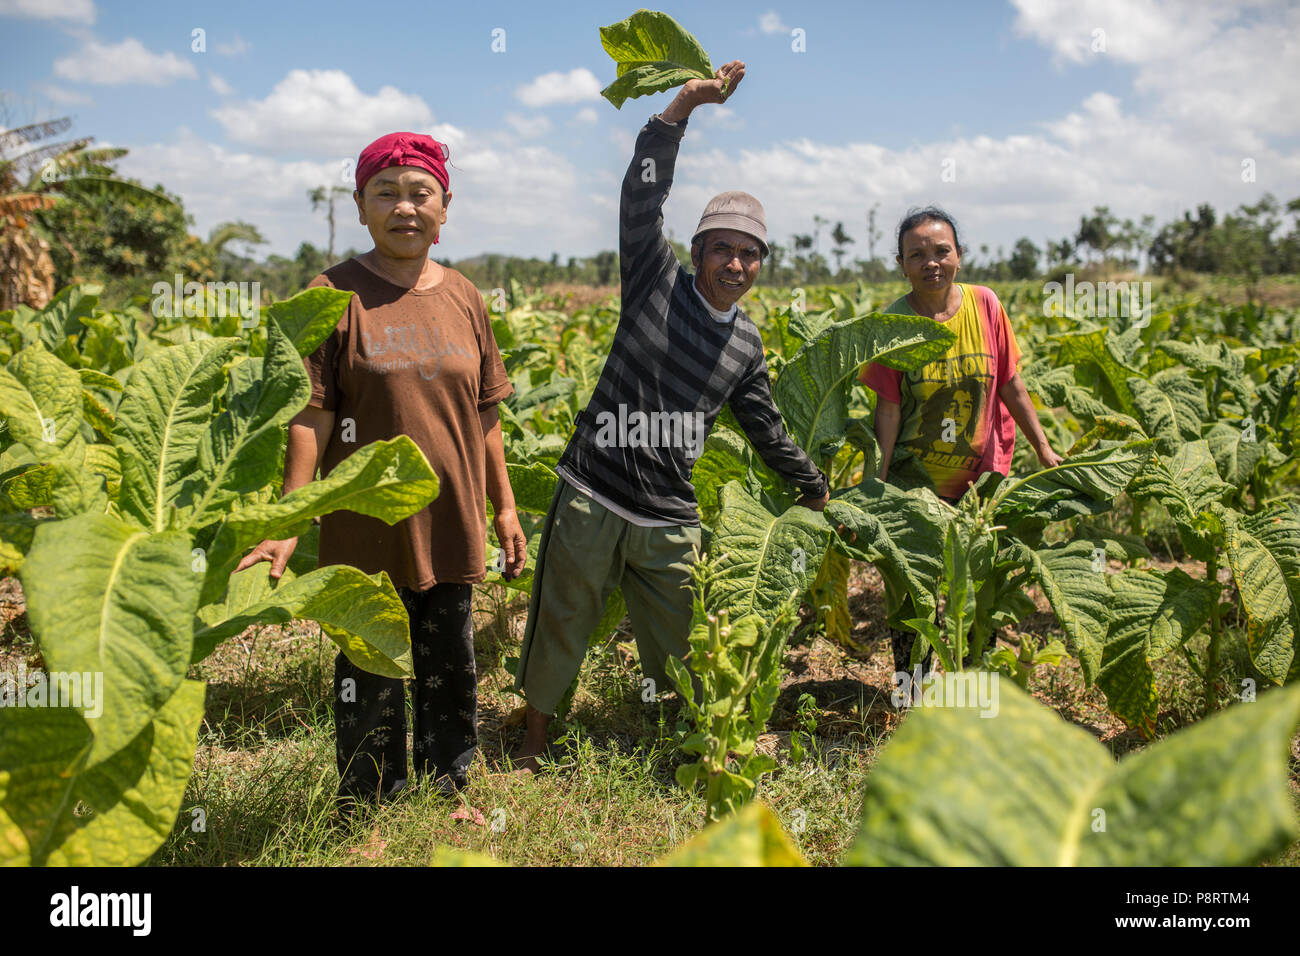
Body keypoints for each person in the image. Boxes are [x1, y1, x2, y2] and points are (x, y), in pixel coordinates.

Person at [511, 60, 830, 772]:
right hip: (594, 490)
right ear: (698, 251)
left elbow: (764, 425)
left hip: (668, 511)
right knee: (563, 617)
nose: (737, 264)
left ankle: (680, 744)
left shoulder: (745, 343)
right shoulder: (655, 279)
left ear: (760, 265)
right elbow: (640, 197)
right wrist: (685, 104)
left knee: (684, 640)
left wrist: (812, 485)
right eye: (724, 248)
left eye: (750, 254)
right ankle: (534, 737)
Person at [235, 131, 527, 809]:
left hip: (451, 517)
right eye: (385, 193)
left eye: (419, 193)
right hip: (364, 522)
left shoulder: (465, 297)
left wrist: (505, 507)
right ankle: (368, 800)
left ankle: (451, 783)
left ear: (444, 208)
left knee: (449, 660)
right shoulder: (331, 293)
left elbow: (487, 415)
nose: (404, 207)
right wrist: (286, 521)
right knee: (368, 664)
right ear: (362, 208)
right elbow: (309, 417)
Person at [860, 206, 1062, 675]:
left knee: (979, 581)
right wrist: (878, 483)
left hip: (982, 477)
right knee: (911, 582)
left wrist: (1043, 447)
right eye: (917, 255)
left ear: (959, 256)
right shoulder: (893, 326)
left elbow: (1010, 382)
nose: (931, 262)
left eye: (941, 251)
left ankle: (973, 686)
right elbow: (888, 409)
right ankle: (909, 688)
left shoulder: (986, 305)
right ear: (902, 265)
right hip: (918, 479)